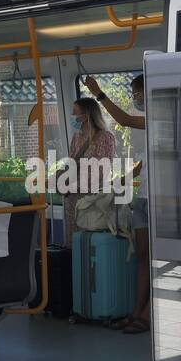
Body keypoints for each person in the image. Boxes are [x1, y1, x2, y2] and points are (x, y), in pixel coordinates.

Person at [83, 74, 150, 335]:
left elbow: (123, 120)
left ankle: (146, 315)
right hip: (143, 196)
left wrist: (99, 93)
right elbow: (145, 163)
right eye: (134, 94)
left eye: (138, 93)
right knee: (142, 258)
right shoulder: (145, 130)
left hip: (161, 198)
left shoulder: (161, 114)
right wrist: (122, 179)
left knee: (155, 259)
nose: (136, 99)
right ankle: (136, 312)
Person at [64, 96, 116, 248]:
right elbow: (72, 163)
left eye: (76, 113)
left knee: (90, 242)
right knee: (74, 242)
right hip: (73, 199)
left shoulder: (106, 138)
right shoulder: (76, 137)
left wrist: (76, 185)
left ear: (87, 114)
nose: (73, 117)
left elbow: (103, 170)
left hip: (93, 199)